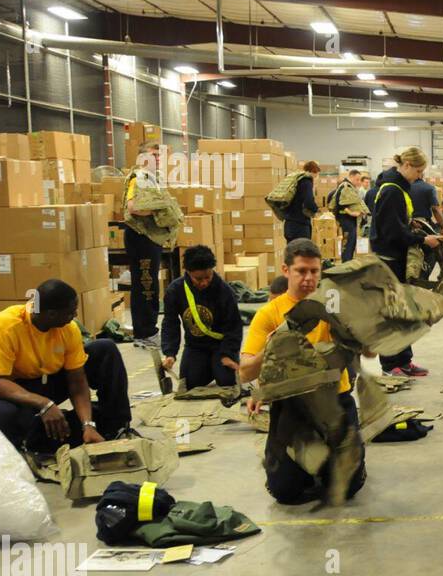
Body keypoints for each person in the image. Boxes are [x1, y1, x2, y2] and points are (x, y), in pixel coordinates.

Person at [239, 239, 366, 504]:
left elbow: (371, 352)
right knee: (285, 493)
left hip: (335, 401)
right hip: (292, 407)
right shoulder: (269, 314)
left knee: (347, 488)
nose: (308, 278)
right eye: (301, 271)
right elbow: (246, 373)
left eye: (314, 271)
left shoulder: (333, 307)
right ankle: (303, 465)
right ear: (286, 270)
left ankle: (338, 462)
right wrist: (277, 341)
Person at [0, 280, 132, 452]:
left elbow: (77, 381)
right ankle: (25, 443)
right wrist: (44, 404)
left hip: (50, 380)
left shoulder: (69, 328)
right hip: (16, 389)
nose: (74, 316)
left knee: (104, 348)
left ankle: (116, 426)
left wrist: (88, 425)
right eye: (70, 312)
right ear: (52, 314)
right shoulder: (5, 325)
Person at [370, 147, 439, 377]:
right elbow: (392, 233)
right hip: (389, 260)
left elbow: (397, 224)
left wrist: (412, 226)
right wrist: (422, 239)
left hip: (395, 258)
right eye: (418, 171)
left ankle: (404, 360)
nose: (420, 176)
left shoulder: (398, 188)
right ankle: (390, 365)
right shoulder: (392, 192)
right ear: (407, 165)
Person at [160, 245, 243, 388]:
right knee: (190, 384)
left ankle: (217, 366)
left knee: (227, 381)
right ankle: (209, 367)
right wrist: (170, 354)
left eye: (208, 277)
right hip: (196, 346)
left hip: (221, 346)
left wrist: (228, 353)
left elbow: (234, 326)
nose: (204, 282)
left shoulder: (224, 291)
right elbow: (170, 323)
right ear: (188, 272)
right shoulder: (175, 290)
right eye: (198, 279)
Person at [122, 141, 164, 346]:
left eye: (158, 155)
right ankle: (145, 333)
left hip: (149, 238)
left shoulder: (151, 179)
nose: (157, 158)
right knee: (146, 285)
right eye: (152, 155)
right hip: (141, 237)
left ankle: (147, 330)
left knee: (149, 284)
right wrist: (159, 211)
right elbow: (134, 207)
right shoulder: (138, 179)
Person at [328, 169, 368, 261]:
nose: (358, 182)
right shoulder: (346, 186)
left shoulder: (349, 187)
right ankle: (346, 263)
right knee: (348, 243)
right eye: (357, 179)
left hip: (348, 220)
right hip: (346, 220)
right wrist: (352, 213)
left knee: (350, 242)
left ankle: (348, 261)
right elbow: (341, 204)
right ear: (351, 177)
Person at [283, 160, 321, 244]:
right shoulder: (306, 181)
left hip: (289, 223)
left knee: (292, 253)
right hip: (300, 225)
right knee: (302, 252)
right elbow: (308, 202)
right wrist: (316, 209)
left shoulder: (297, 180)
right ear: (314, 172)